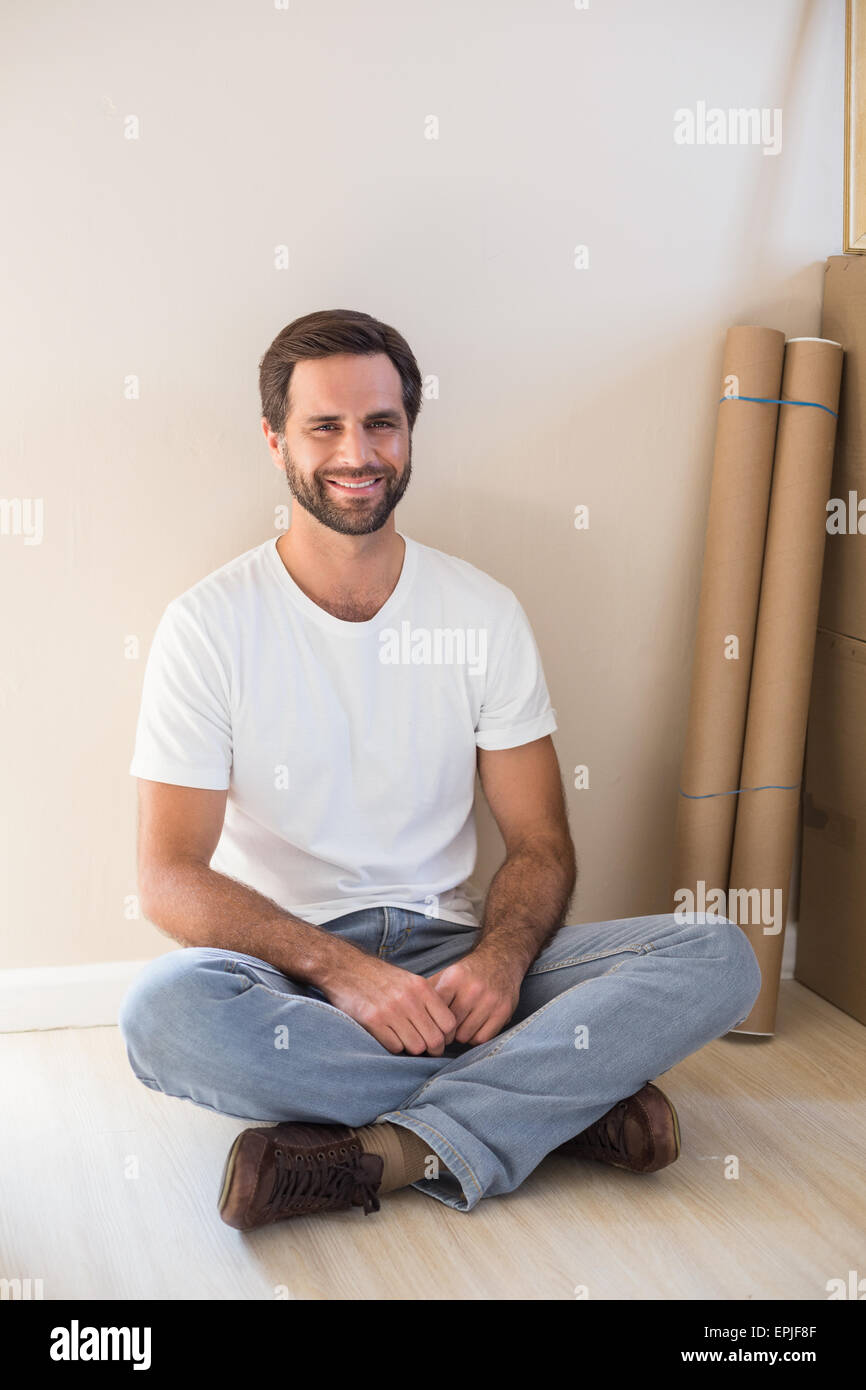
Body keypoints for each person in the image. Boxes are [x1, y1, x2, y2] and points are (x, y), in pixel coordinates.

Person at [118, 308, 762, 1231]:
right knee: (162, 1014)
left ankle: (396, 1149)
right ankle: (561, 1106)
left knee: (718, 953)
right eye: (325, 427)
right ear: (275, 441)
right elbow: (168, 877)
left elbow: (540, 840)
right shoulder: (206, 626)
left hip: (455, 957)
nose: (358, 451)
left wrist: (501, 962)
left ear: (410, 432)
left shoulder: (482, 611)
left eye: (381, 423)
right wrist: (340, 970)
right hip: (295, 975)